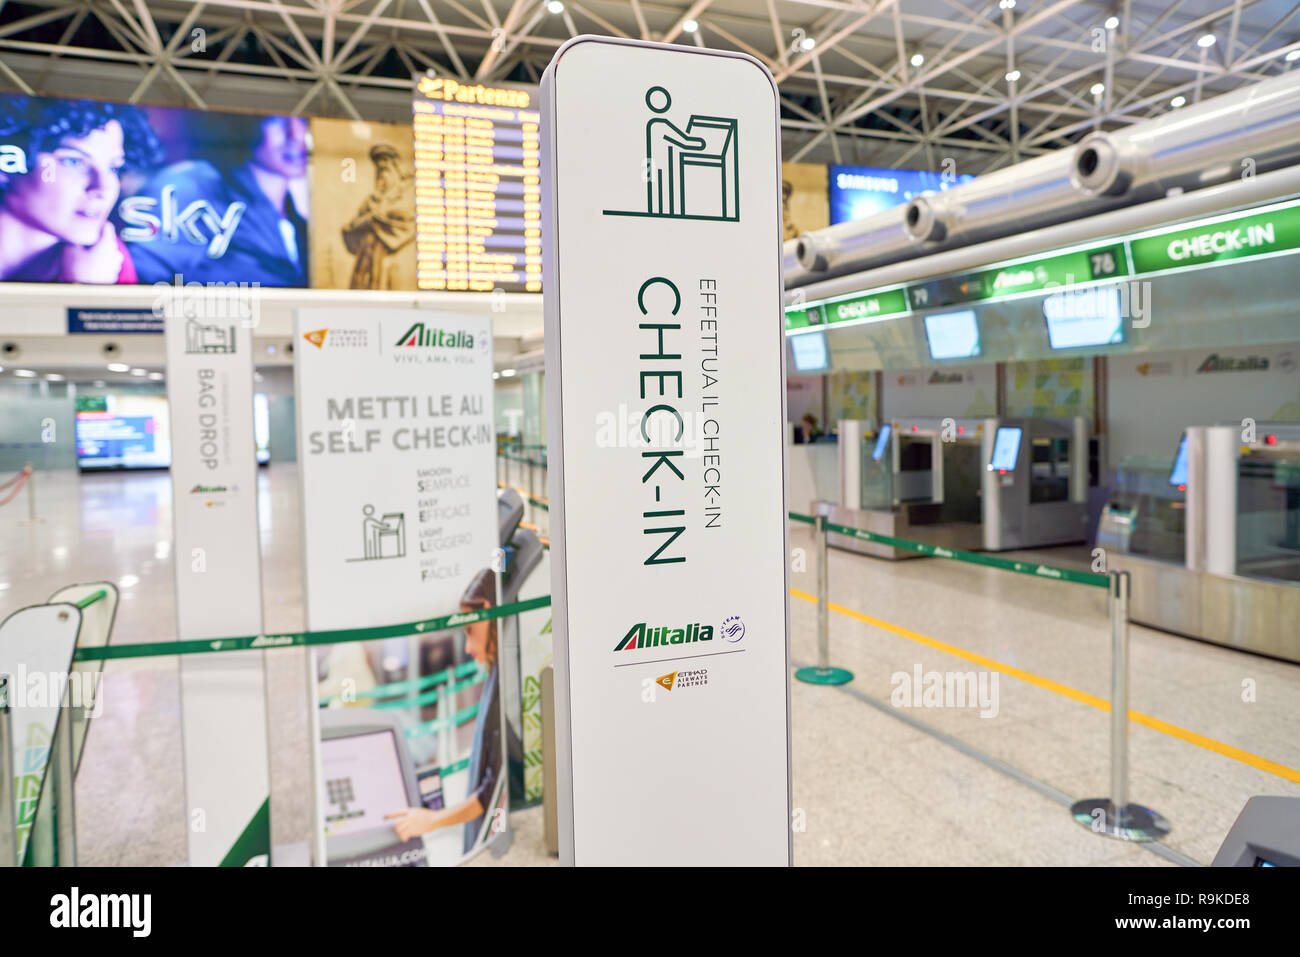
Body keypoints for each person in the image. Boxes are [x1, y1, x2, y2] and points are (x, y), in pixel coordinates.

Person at [386, 567, 523, 854]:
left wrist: (431, 820)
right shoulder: (497, 674)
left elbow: (489, 791)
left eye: (471, 631)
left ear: (488, 613)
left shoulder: (505, 685)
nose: (469, 647)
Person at [128, 114, 310, 286]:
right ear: (248, 123)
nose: (296, 135)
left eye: (303, 120)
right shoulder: (193, 186)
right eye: (276, 120)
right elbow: (141, 280)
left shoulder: (300, 221)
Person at [0, 97, 159, 283]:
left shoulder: (110, 262)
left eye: (113, 168)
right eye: (73, 162)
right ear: (8, 162)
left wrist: (90, 295)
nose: (103, 188)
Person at [341, 143, 415, 290]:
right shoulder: (371, 200)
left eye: (386, 168)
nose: (382, 174)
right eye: (379, 169)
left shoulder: (408, 192)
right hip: (366, 262)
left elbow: (406, 221)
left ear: (395, 167)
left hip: (393, 262)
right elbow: (352, 227)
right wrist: (368, 220)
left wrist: (373, 220)